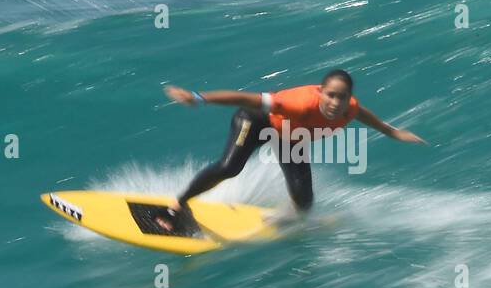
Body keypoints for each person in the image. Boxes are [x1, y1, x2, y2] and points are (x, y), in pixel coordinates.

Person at [158, 69, 424, 231]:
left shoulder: (349, 109)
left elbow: (365, 116)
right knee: (229, 168)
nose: (335, 102)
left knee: (304, 203)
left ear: (348, 98)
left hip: (290, 137)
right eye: (330, 95)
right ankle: (177, 205)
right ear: (321, 92)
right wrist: (198, 97)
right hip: (255, 121)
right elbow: (245, 98)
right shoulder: (297, 103)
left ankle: (279, 221)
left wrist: (393, 132)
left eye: (341, 97)